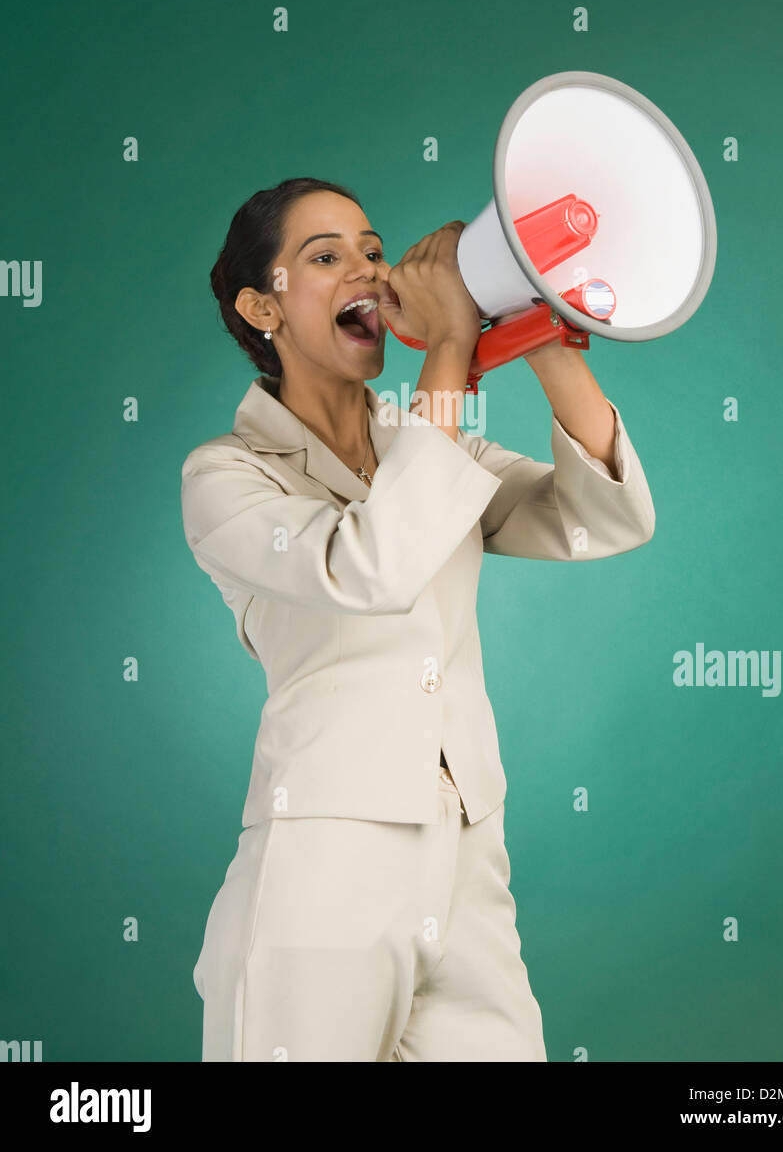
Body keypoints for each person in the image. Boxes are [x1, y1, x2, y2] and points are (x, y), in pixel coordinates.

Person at [181, 176, 655, 1062]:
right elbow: (373, 563)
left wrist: (536, 322)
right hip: (323, 858)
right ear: (261, 306)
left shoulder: (425, 446)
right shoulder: (224, 476)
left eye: (370, 248)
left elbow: (604, 518)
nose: (365, 265)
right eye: (322, 257)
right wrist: (449, 343)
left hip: (468, 854)